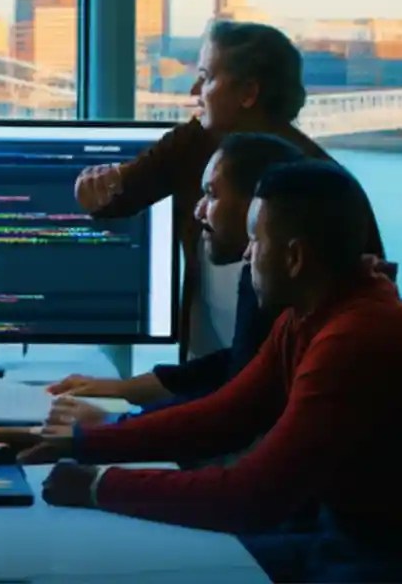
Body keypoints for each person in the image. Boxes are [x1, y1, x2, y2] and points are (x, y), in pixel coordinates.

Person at [0, 161, 402, 583]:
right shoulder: (313, 313)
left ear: (293, 257)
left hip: (394, 569)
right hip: (348, 542)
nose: (246, 254)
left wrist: (97, 485)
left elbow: (251, 498)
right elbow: (225, 416)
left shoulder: (355, 338)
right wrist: (73, 444)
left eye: (256, 241)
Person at [72, 20, 385, 363]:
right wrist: (96, 184)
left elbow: (366, 309)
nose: (194, 90)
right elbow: (116, 196)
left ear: (248, 93)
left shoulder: (326, 192)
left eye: (206, 77)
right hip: (207, 370)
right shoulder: (191, 144)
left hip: (277, 384)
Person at [48, 132, 305, 428]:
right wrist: (122, 390)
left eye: (211, 194)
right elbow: (238, 367)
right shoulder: (268, 275)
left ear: (256, 205)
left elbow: (238, 414)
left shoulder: (292, 297)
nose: (197, 211)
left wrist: (116, 424)